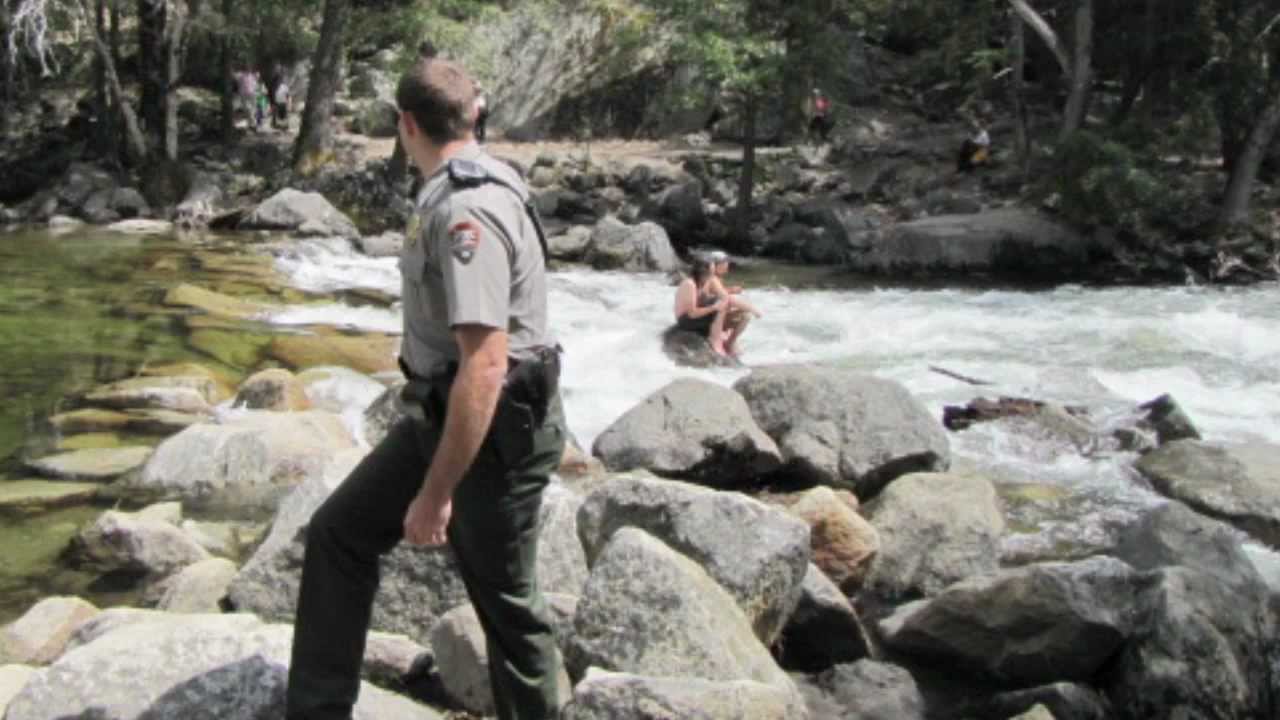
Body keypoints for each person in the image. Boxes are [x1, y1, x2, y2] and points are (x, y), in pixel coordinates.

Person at [286, 57, 567, 720]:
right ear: (475, 115)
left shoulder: (468, 209)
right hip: (442, 416)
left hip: (493, 433)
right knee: (339, 533)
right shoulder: (450, 186)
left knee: (508, 609)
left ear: (405, 124)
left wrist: (437, 495)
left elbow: (486, 366)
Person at [673, 257, 736, 357]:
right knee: (718, 302)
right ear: (702, 272)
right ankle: (715, 340)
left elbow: (715, 299)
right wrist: (714, 307)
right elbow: (692, 313)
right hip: (685, 321)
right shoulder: (690, 284)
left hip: (693, 317)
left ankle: (724, 338)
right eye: (710, 274)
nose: (712, 277)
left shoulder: (701, 284)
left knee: (723, 302)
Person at [704, 250, 759, 357]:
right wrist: (753, 309)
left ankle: (730, 342)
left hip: (712, 317)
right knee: (746, 316)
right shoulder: (713, 279)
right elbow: (726, 298)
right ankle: (729, 343)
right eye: (724, 263)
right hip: (712, 320)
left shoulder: (712, 278)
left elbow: (717, 293)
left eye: (726, 262)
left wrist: (730, 290)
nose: (727, 265)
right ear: (715, 265)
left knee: (738, 312)